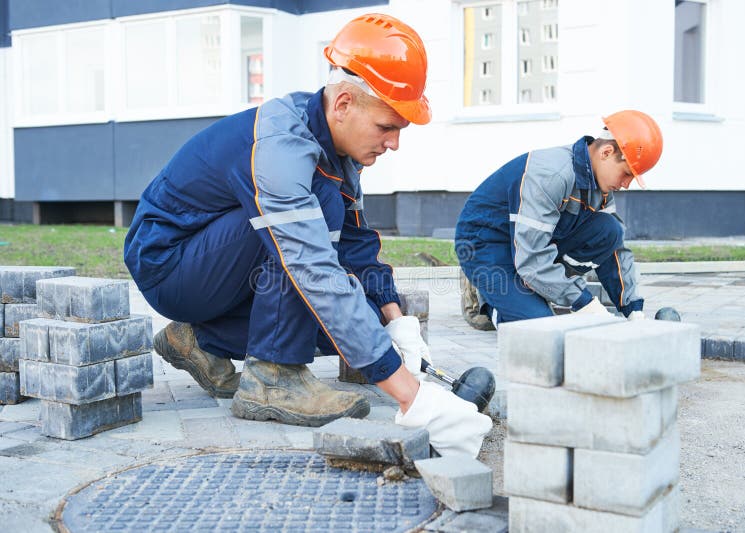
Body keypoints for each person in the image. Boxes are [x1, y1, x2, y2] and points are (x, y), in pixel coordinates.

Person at [124, 14, 491, 457]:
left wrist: (396, 325)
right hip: (169, 264)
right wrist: (411, 397)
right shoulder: (282, 146)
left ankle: (199, 341)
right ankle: (273, 378)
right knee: (318, 224)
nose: (394, 143)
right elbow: (310, 264)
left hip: (215, 265)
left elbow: (356, 243)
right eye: (387, 127)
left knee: (350, 322)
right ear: (344, 104)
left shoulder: (336, 152)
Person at [455, 110, 663, 326]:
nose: (626, 184)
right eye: (627, 173)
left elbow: (615, 250)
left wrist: (632, 309)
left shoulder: (599, 185)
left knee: (610, 230)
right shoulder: (551, 175)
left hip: (530, 244)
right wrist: (583, 302)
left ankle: (538, 288)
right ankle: (485, 295)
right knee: (539, 327)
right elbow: (531, 259)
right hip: (487, 244)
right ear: (606, 152)